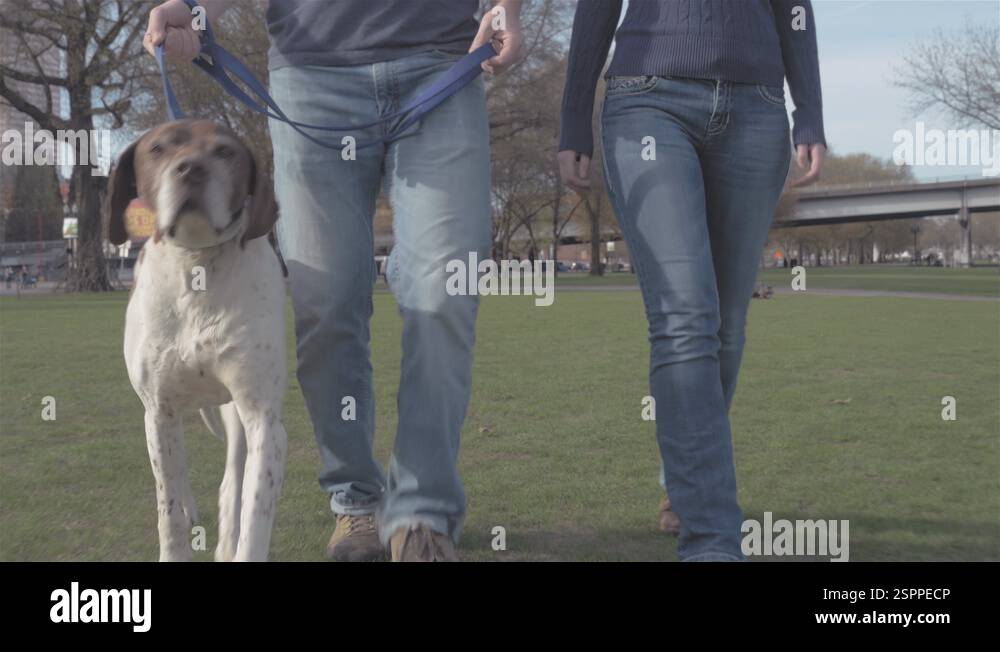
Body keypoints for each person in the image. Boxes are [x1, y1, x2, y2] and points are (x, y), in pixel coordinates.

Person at [146, 0, 524, 561]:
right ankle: (356, 505)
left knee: (444, 291)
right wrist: (198, 11)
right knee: (326, 305)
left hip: (442, 62)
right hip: (311, 71)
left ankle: (421, 513)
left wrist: (507, 6)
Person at [558, 0, 826, 561]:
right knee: (686, 319)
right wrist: (573, 115)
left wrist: (811, 111)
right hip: (647, 99)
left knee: (726, 328)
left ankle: (684, 485)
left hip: (757, 105)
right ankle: (712, 540)